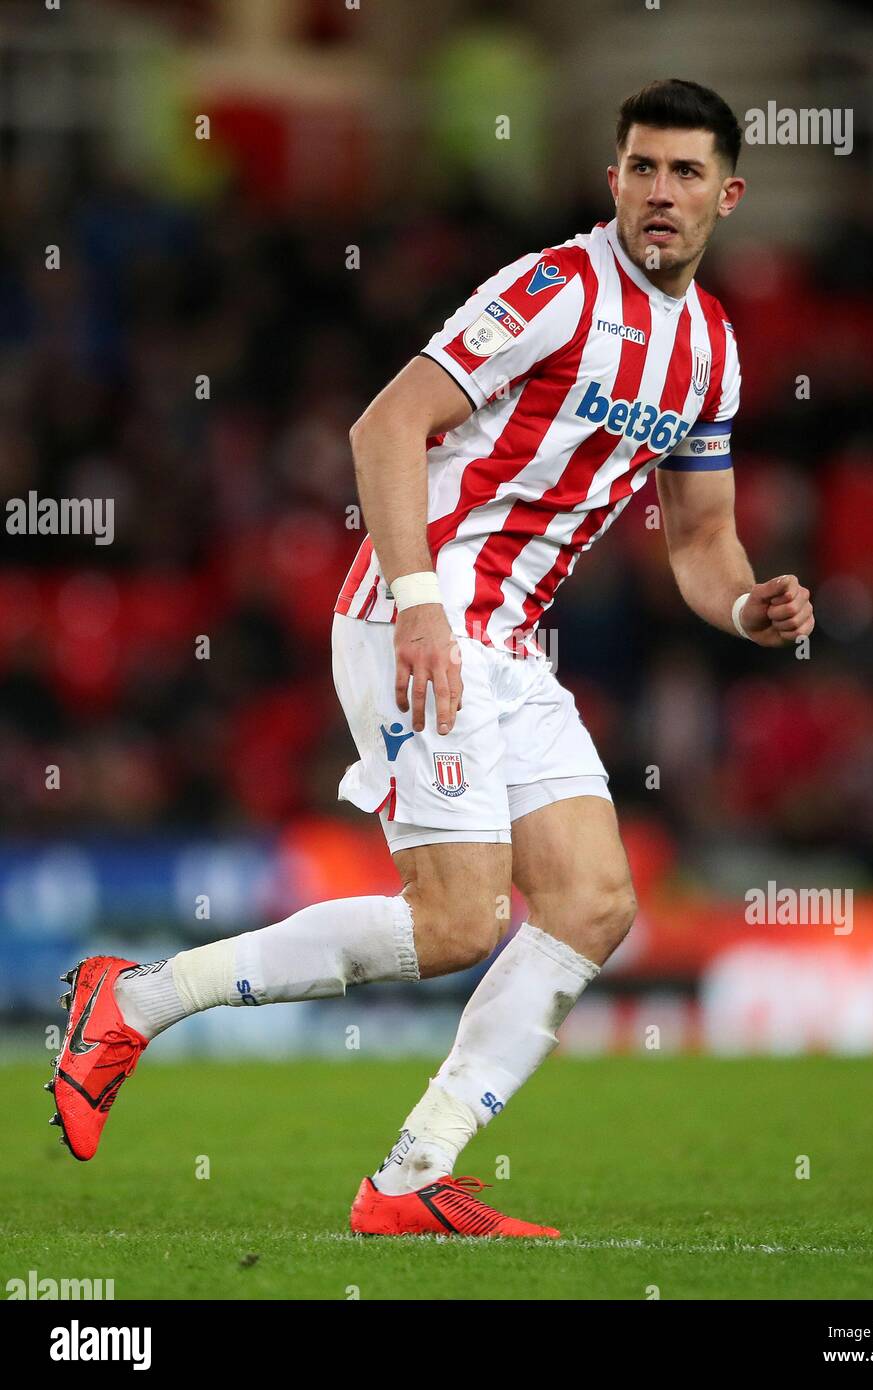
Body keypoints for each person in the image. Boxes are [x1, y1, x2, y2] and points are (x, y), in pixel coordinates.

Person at [49, 78, 814, 1238]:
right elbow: (384, 426)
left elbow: (702, 539)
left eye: (687, 173)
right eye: (643, 169)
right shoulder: (555, 289)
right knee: (459, 921)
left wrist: (748, 605)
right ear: (613, 179)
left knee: (595, 902)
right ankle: (135, 1000)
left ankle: (411, 1176)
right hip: (425, 616)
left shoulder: (712, 353)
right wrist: (419, 605)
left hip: (510, 642)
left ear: (730, 193)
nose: (662, 193)